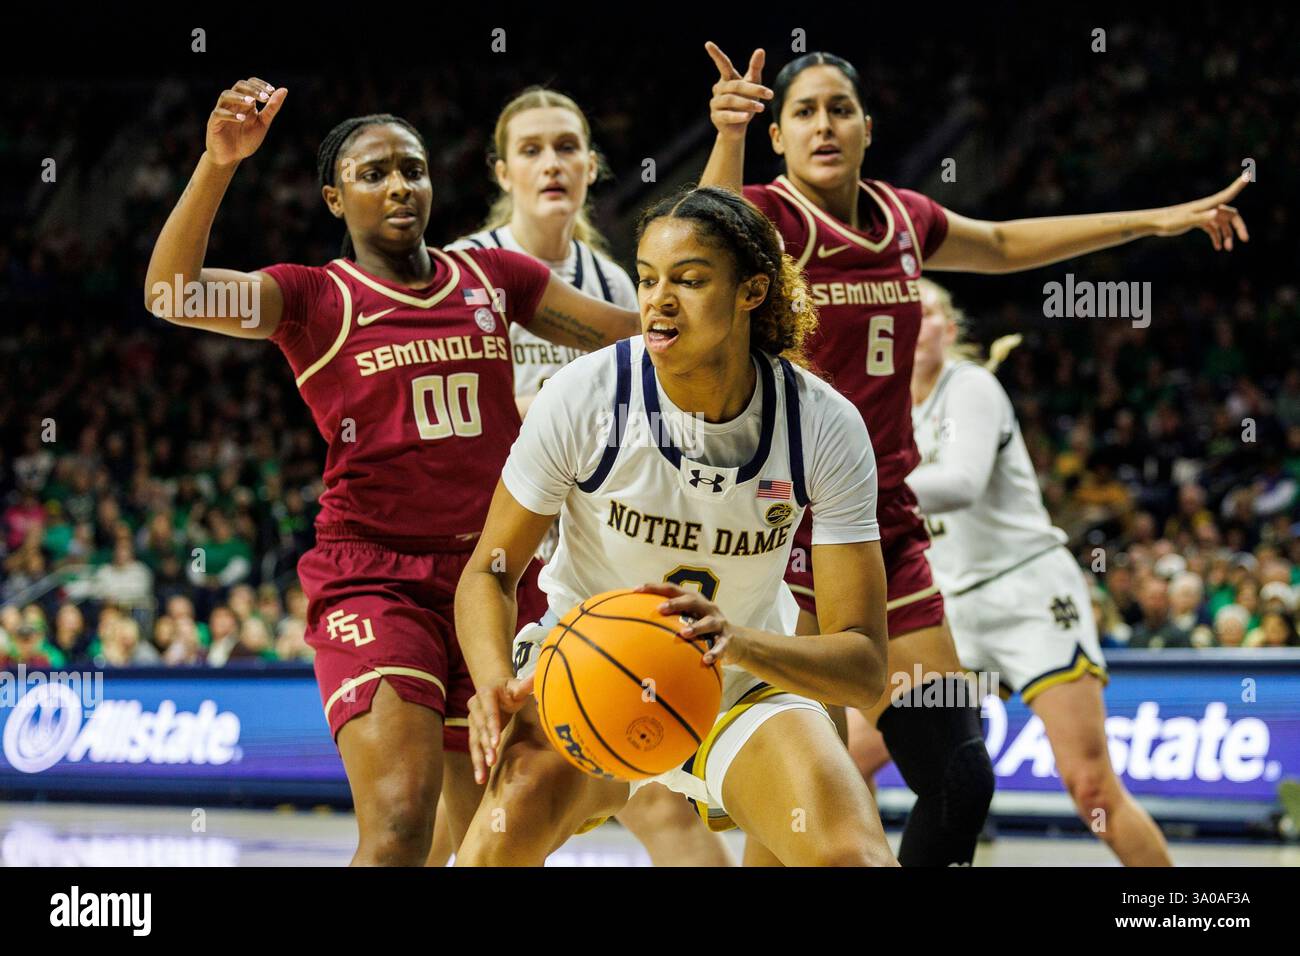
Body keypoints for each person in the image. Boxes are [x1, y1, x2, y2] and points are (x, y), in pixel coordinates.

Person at [700, 41, 1249, 866]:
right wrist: (728, 135)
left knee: (961, 775)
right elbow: (702, 239)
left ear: (867, 127)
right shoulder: (772, 220)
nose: (823, 124)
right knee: (801, 793)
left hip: (891, 533)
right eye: (803, 112)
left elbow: (1000, 242)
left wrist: (1154, 219)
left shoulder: (907, 219)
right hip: (790, 528)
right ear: (778, 135)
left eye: (839, 109)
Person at [143, 77, 637, 865]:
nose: (401, 185)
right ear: (335, 200)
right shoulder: (313, 298)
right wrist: (218, 163)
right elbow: (171, 294)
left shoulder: (494, 279)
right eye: (374, 174)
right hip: (376, 577)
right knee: (402, 824)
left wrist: (715, 277)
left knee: (497, 842)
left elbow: (635, 336)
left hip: (496, 576)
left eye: (413, 169)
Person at [454, 186, 894, 867]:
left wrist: (736, 641)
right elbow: (489, 571)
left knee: (853, 859)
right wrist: (492, 680)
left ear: (752, 291)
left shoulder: (823, 424)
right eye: (648, 279)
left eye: (689, 281)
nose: (659, 299)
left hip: (740, 680)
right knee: (493, 849)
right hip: (588, 664)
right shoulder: (587, 395)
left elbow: (864, 669)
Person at [440, 87, 732, 867]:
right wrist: (538, 411)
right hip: (481, 559)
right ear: (502, 170)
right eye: (531, 149)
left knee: (660, 802)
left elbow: (702, 314)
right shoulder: (463, 275)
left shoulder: (622, 282)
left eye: (567, 147)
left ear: (592, 165)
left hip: (588, 565)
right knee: (468, 813)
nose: (551, 163)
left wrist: (728, 136)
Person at [903, 277, 1171, 866]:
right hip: (950, 610)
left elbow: (963, 483)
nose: (914, 321)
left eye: (927, 313)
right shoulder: (887, 406)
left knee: (1090, 786)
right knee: (855, 753)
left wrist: (858, 488)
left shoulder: (971, 387)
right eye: (905, 310)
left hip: (1027, 594)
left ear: (950, 330)